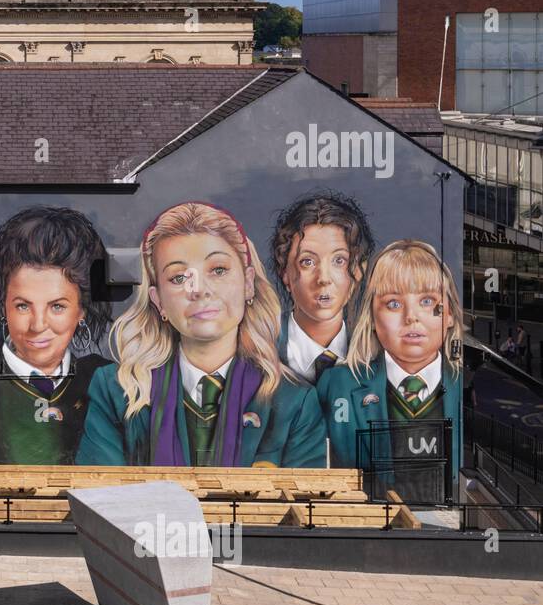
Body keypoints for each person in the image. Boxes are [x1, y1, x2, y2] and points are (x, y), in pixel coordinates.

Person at [77, 201, 326, 468]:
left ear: (248, 284)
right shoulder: (116, 390)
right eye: (179, 277)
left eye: (218, 270)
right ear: (158, 299)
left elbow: (303, 506)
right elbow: (101, 498)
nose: (199, 289)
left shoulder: (294, 401)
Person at [0, 207, 113, 464]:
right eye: (23, 306)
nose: (38, 325)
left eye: (57, 306)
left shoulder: (104, 380)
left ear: (81, 310)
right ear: (3, 305)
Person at [317, 240, 464, 501]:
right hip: (372, 532)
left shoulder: (466, 387)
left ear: (450, 314)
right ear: (372, 318)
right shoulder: (336, 384)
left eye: (428, 301)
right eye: (394, 304)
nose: (411, 316)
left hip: (450, 534)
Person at [269, 192, 374, 384]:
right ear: (285, 272)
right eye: (307, 262)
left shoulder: (375, 355)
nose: (324, 278)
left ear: (359, 270)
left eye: (339, 260)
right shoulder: (258, 350)